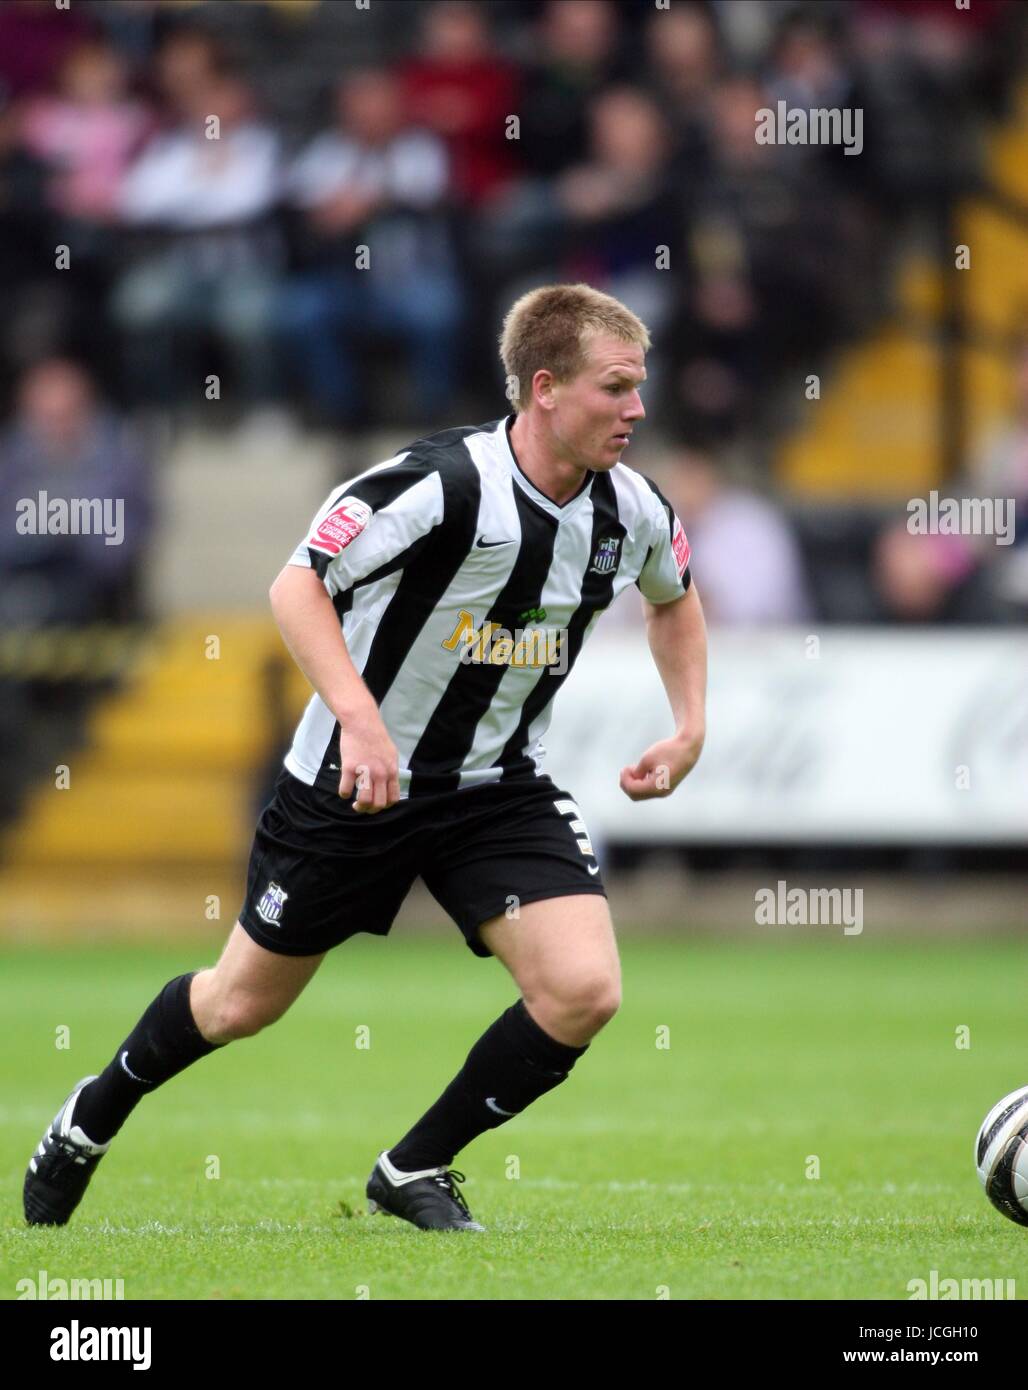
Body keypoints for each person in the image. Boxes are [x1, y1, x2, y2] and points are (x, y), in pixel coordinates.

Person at [24, 283, 708, 1233]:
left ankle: (414, 1167)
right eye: (617, 388)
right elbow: (297, 582)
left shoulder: (630, 509)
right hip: (353, 785)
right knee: (237, 1006)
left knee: (583, 990)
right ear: (544, 389)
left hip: (494, 787)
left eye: (641, 387)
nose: (638, 409)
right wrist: (358, 716)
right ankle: (89, 1119)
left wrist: (690, 726)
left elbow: (674, 597)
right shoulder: (442, 485)